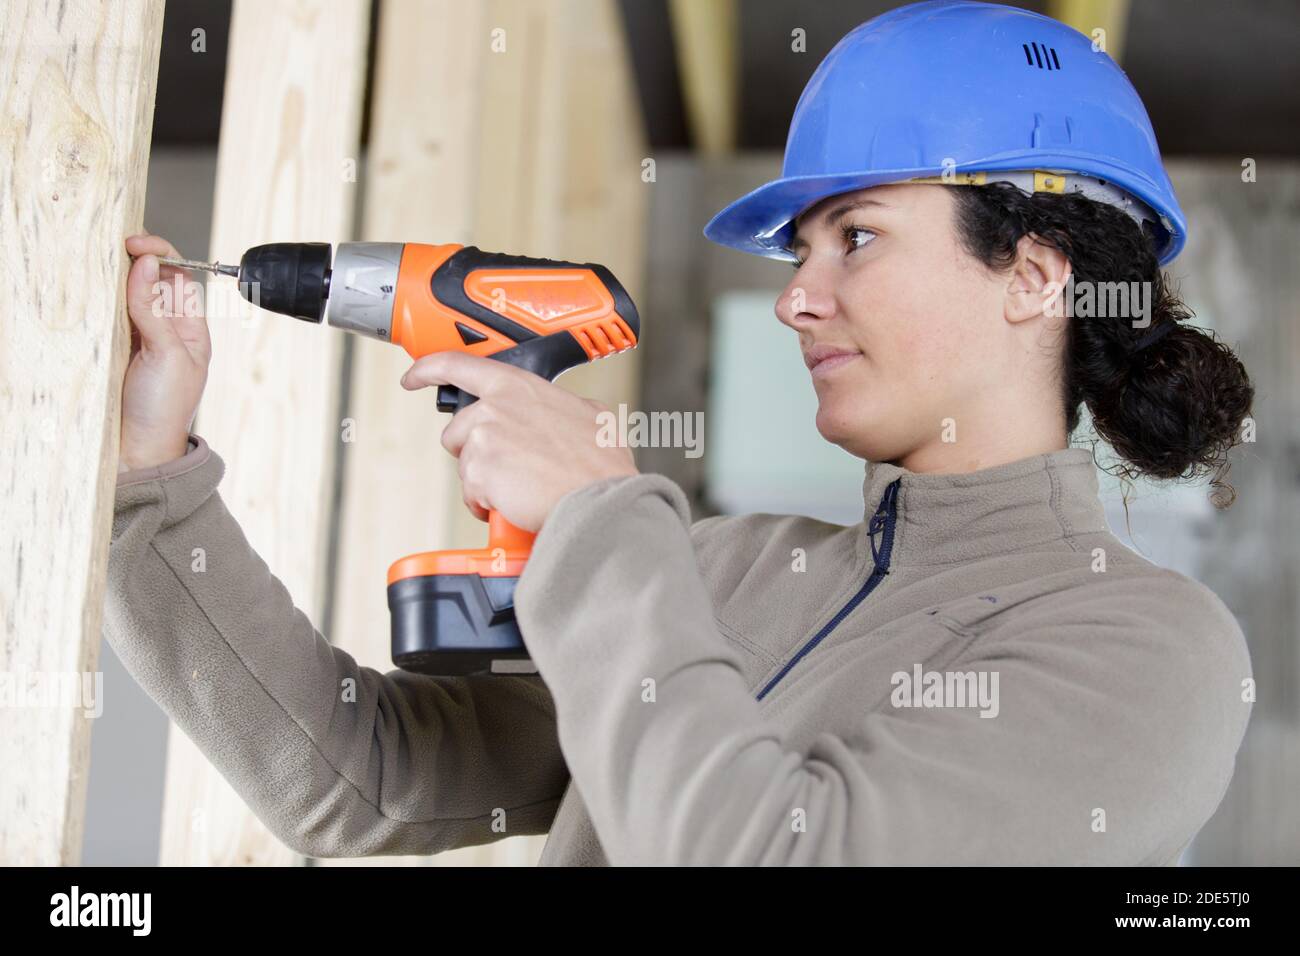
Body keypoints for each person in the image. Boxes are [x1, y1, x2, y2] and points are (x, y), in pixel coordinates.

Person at [107, 0, 1255, 865]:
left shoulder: (1150, 651)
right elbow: (366, 779)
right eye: (796, 251)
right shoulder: (719, 567)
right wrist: (156, 477)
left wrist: (600, 517)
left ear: (1034, 277)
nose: (795, 298)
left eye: (854, 236)